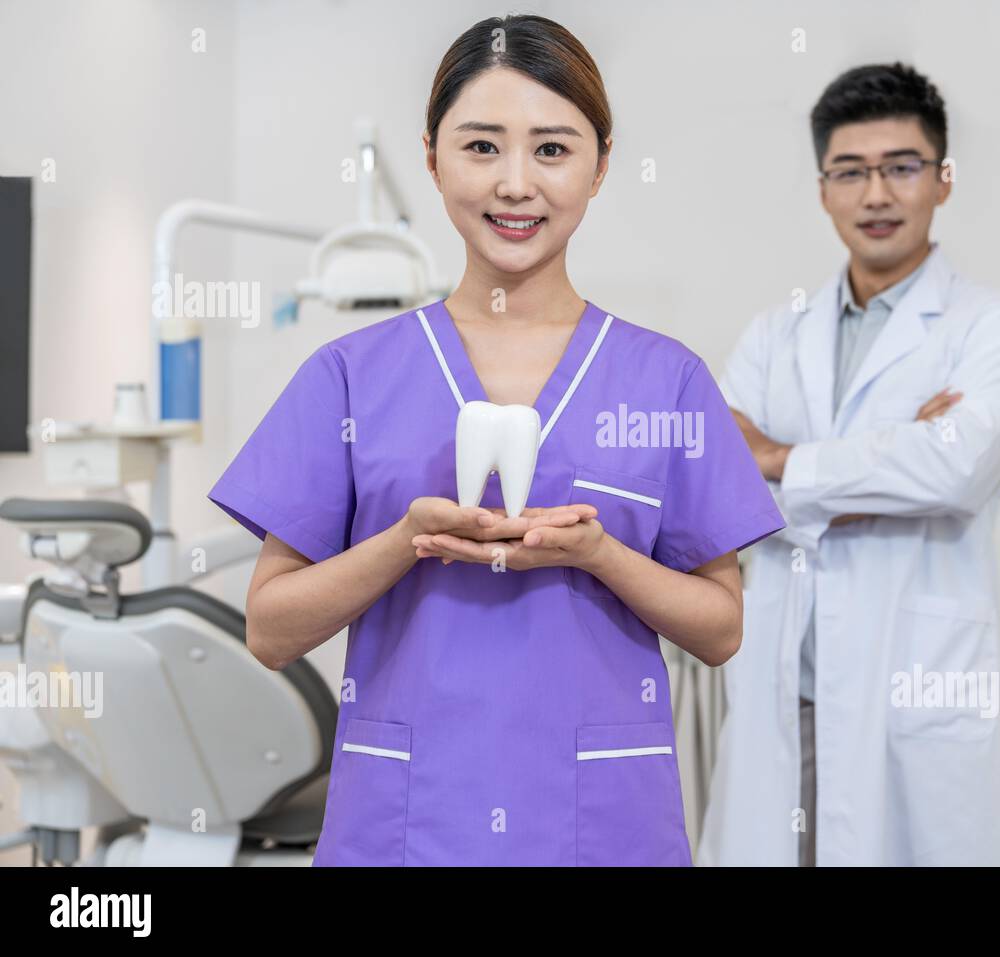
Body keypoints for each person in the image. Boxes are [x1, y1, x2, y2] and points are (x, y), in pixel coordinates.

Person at [207, 14, 785, 866]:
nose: (517, 184)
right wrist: (407, 542)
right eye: (482, 147)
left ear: (601, 165)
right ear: (433, 157)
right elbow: (270, 630)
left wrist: (598, 555)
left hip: (599, 824)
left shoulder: (667, 381)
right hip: (408, 823)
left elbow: (721, 628)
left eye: (552, 149)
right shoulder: (349, 377)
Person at [698, 63, 1000, 866]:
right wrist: (886, 463)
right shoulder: (773, 334)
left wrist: (780, 459)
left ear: (942, 179)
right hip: (785, 679)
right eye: (850, 172)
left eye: (902, 167)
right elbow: (713, 482)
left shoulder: (993, 328)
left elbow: (951, 473)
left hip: (910, 686)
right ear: (824, 190)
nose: (876, 194)